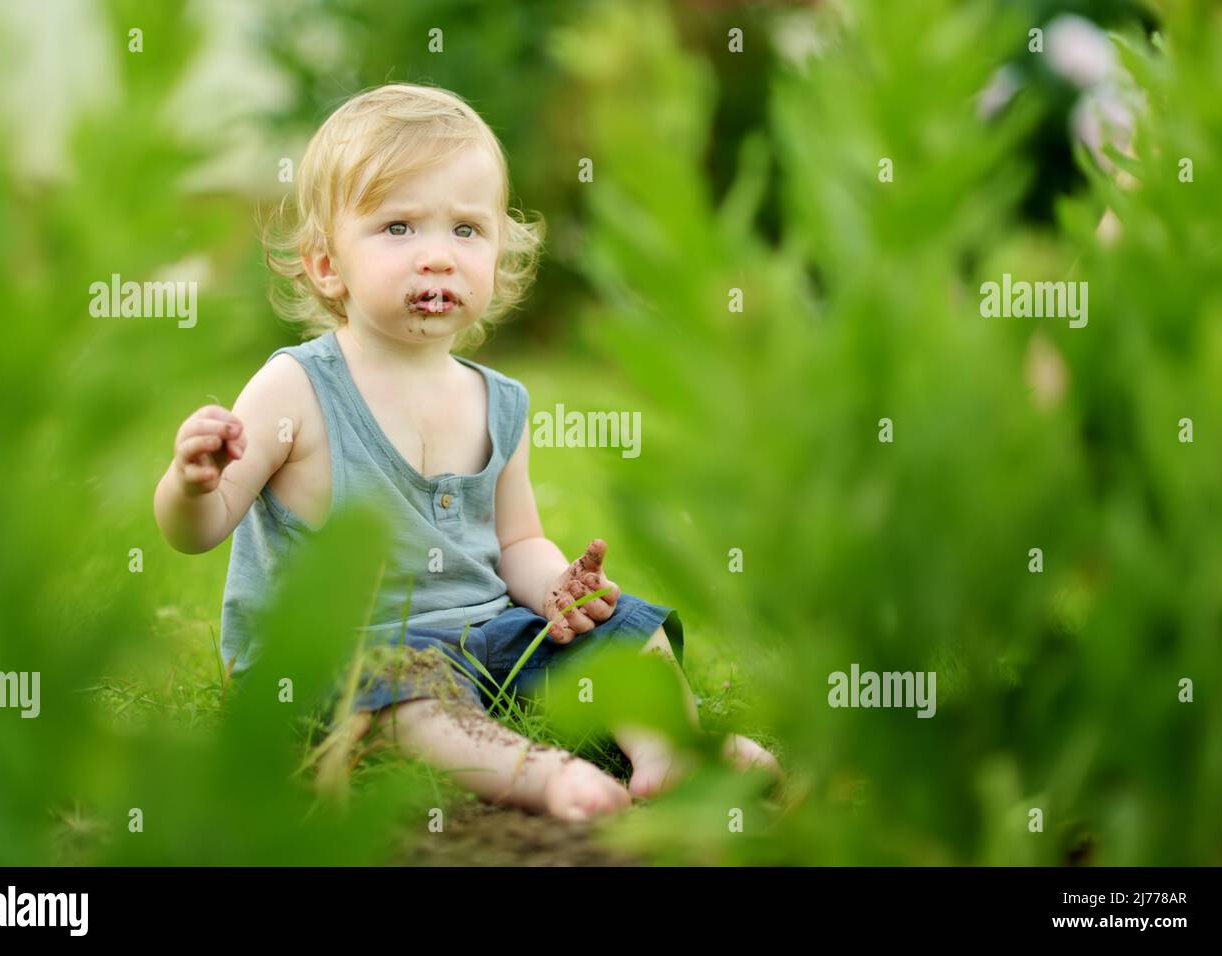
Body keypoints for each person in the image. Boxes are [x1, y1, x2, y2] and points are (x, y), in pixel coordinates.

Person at [153, 83, 780, 822]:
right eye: (398, 228)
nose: (438, 258)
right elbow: (197, 532)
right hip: (349, 657)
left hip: (487, 640)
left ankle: (672, 750)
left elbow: (517, 540)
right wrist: (194, 485)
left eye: (466, 230)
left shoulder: (498, 400)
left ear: (499, 252)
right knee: (400, 704)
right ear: (326, 265)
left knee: (624, 631)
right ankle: (539, 772)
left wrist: (554, 590)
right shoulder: (294, 388)